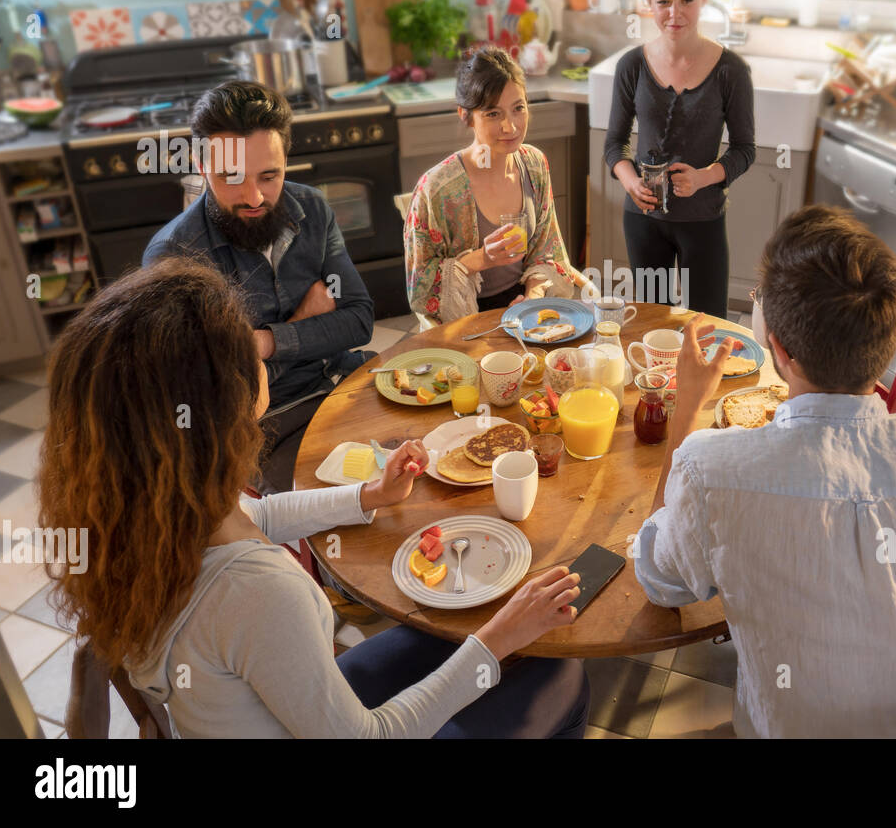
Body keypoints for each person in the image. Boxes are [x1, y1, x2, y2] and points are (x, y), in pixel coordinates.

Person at [36, 258, 589, 738]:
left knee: (466, 635)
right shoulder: (259, 592)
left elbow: (263, 515)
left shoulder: (155, 519)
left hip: (282, 710)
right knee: (558, 672)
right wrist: (499, 638)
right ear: (223, 403)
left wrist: (369, 493)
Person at [631, 204, 896, 738]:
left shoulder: (710, 470)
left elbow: (660, 581)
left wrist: (686, 411)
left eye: (757, 301)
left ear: (778, 349)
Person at [143, 80, 373, 492]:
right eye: (231, 177)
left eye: (270, 176)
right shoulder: (173, 257)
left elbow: (359, 321)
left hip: (342, 382)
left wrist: (263, 344)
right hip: (264, 429)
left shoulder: (313, 209)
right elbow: (219, 397)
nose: (253, 197)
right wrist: (307, 326)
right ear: (201, 167)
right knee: (335, 514)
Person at [604, 0, 756, 319]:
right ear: (649, 4)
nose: (675, 13)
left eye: (687, 0)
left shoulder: (730, 70)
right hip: (643, 220)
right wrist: (630, 182)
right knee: (655, 321)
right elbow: (614, 145)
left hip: (702, 219)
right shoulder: (632, 66)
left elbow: (744, 149)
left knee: (708, 323)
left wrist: (703, 178)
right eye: (663, 1)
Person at [404, 46, 575, 324]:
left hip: (524, 309)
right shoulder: (436, 189)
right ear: (465, 115)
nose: (511, 127)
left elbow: (547, 249)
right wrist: (482, 258)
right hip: (463, 319)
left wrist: (530, 302)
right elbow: (419, 287)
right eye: (493, 114)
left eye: (518, 108)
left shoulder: (534, 165)